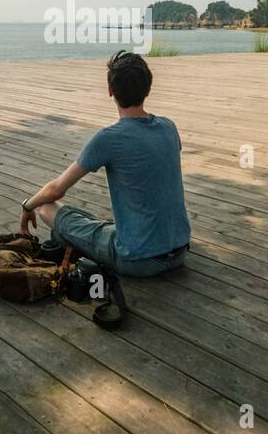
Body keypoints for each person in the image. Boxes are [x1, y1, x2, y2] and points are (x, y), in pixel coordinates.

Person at [18, 49, 191, 279]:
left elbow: (56, 189)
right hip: (179, 251)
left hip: (137, 260)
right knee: (88, 219)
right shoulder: (169, 127)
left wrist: (27, 205)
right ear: (148, 89)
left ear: (110, 91)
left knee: (47, 208)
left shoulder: (109, 138)